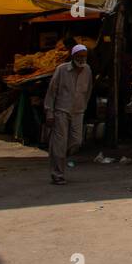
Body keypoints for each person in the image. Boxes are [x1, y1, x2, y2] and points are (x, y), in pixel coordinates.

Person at [44, 44, 93, 185]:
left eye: (84, 56)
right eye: (79, 56)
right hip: (61, 111)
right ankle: (57, 174)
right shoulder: (62, 70)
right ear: (73, 57)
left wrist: (83, 106)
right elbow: (52, 92)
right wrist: (49, 112)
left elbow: (88, 90)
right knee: (59, 143)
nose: (82, 59)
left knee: (76, 141)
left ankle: (58, 157)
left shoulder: (87, 70)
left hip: (78, 111)